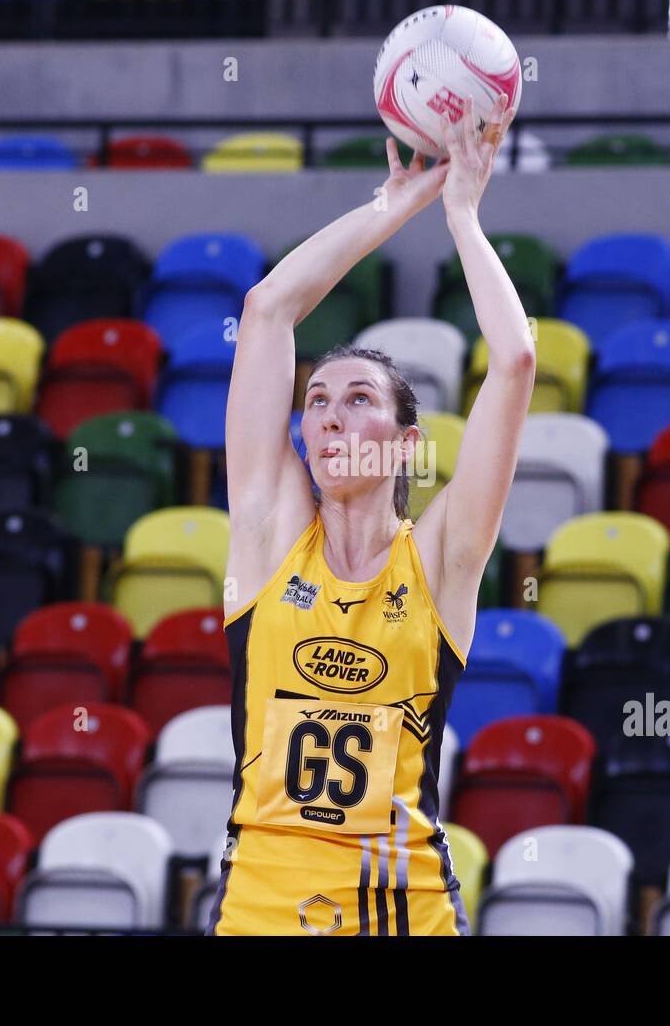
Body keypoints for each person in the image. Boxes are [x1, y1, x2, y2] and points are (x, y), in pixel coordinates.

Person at [207, 93, 534, 936]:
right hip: (260, 913)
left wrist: (461, 213)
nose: (329, 416)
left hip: (403, 913)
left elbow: (516, 359)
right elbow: (268, 310)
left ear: (402, 441)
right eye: (316, 401)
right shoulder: (269, 530)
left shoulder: (441, 558)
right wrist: (390, 207)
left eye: (358, 399)